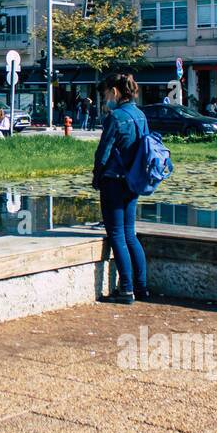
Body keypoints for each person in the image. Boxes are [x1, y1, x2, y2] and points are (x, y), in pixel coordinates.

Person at [93, 72, 149, 304]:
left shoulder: (116, 118)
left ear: (115, 92)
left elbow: (103, 153)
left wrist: (97, 177)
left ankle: (125, 290)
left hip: (114, 181)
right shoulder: (140, 115)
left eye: (106, 94)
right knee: (130, 234)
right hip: (133, 182)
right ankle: (142, 287)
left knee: (116, 233)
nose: (106, 99)